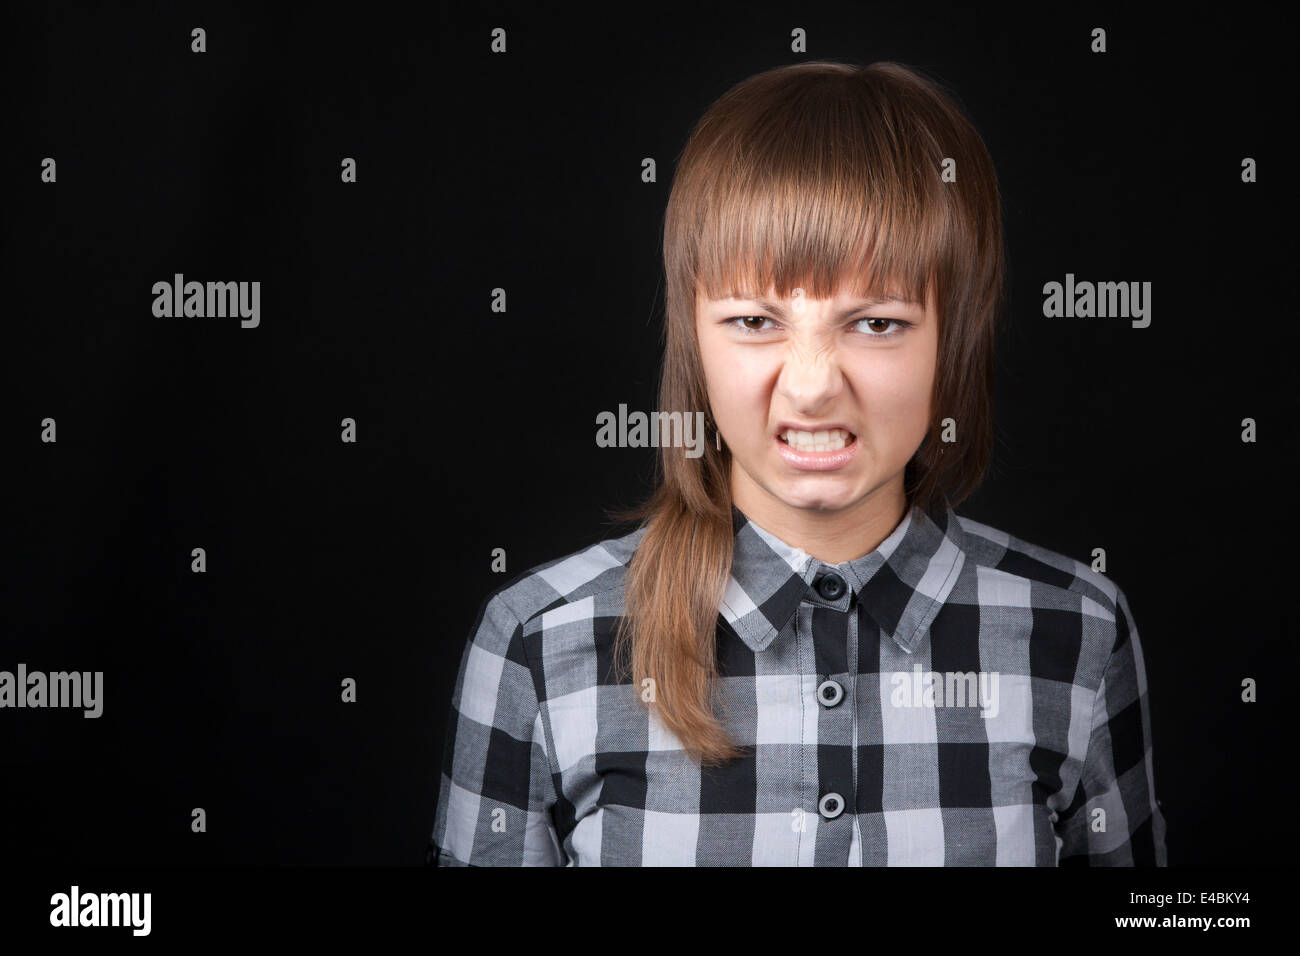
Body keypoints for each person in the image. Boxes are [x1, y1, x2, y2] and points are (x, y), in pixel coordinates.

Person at [429, 60, 1167, 866]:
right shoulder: (539, 645)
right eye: (754, 319)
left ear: (952, 340)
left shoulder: (1079, 633)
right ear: (695, 341)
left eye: (877, 324)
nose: (813, 386)